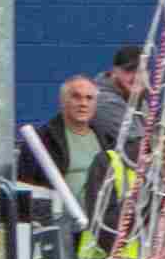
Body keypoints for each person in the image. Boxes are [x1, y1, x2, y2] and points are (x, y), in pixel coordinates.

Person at [16, 73, 121, 238]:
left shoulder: (108, 139)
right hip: (61, 231)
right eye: (76, 97)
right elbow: (26, 190)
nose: (83, 104)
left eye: (89, 98)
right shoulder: (41, 142)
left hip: (101, 231)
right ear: (63, 102)